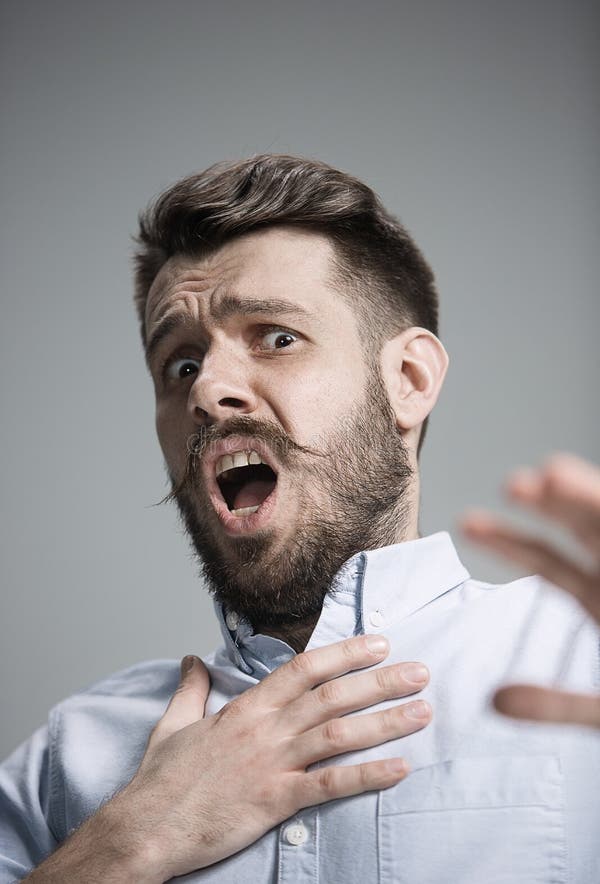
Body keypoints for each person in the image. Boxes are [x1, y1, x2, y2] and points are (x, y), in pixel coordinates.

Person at [0, 154, 598, 884]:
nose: (208, 391)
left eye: (276, 337)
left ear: (408, 381)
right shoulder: (74, 756)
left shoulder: (578, 662)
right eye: (180, 364)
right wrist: (122, 849)